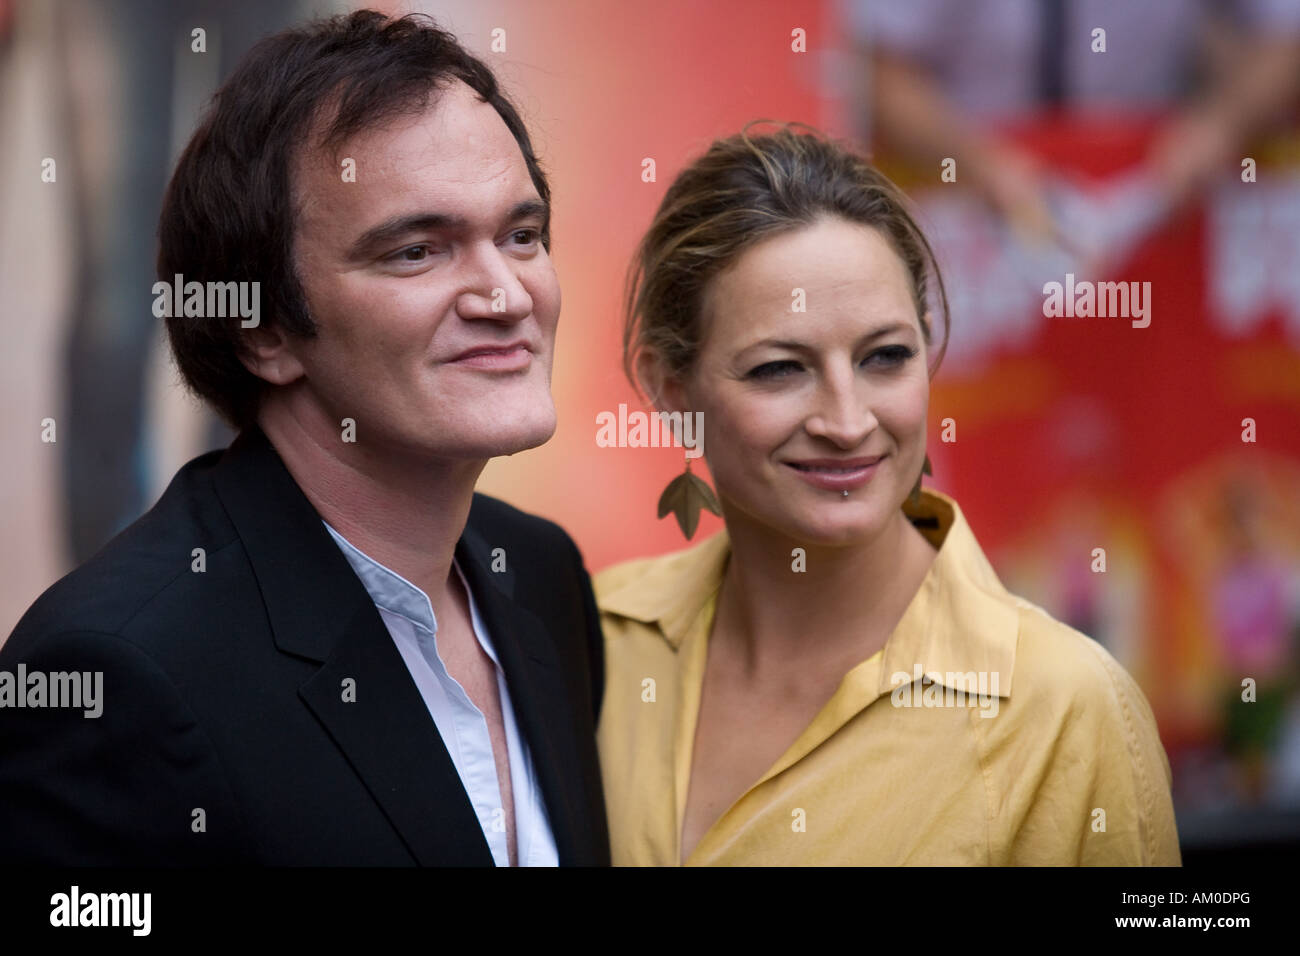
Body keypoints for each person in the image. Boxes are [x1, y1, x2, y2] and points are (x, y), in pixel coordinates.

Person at [0, 10, 610, 867]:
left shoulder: (541, 577)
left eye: (521, 235)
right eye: (416, 251)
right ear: (265, 331)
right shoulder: (116, 671)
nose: (506, 295)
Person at [596, 124, 1181, 865]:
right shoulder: (595, 635)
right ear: (669, 388)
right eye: (779, 369)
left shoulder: (1064, 706)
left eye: (885, 357)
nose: (847, 423)